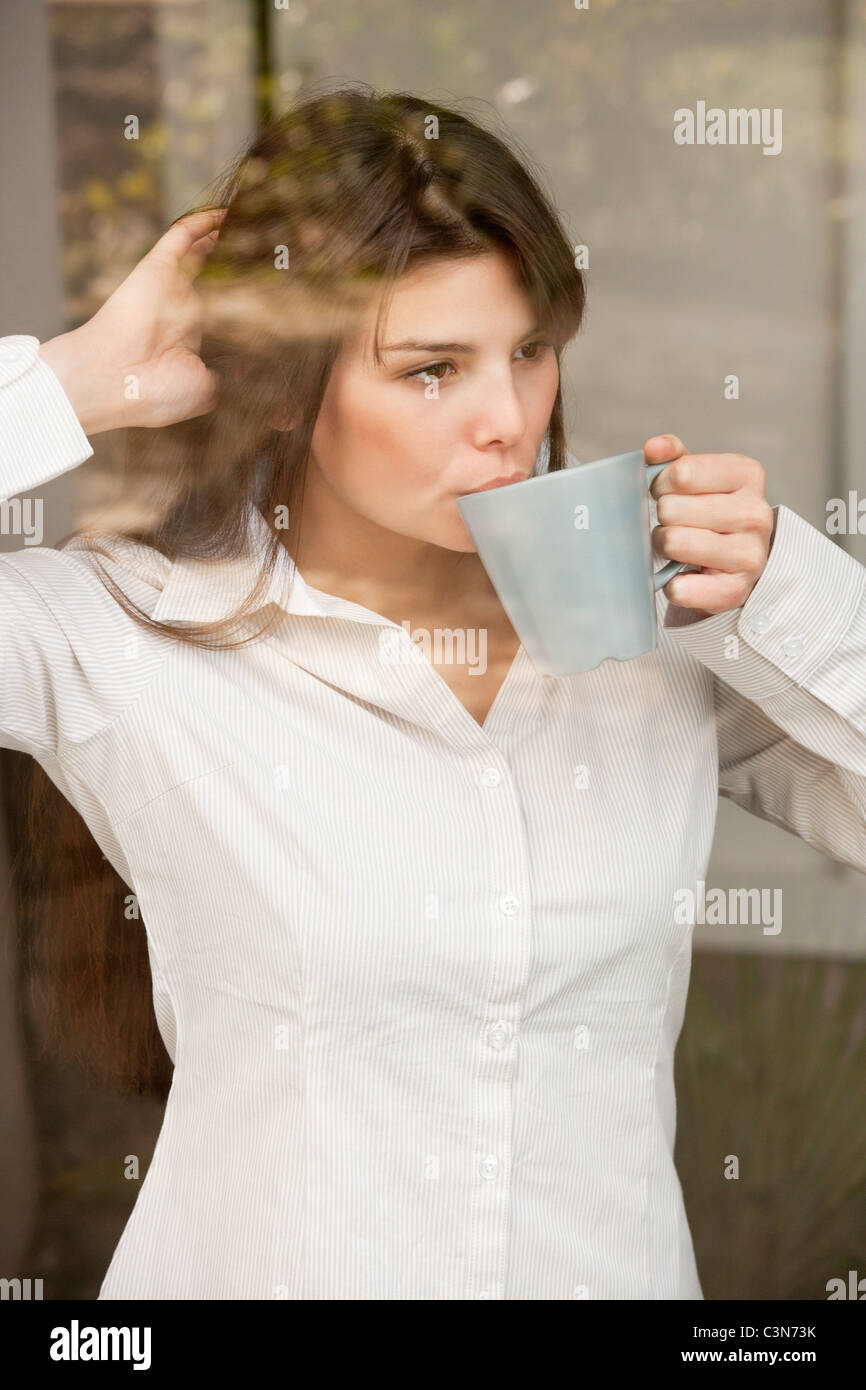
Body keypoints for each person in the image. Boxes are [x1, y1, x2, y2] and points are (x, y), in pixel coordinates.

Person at [2, 84, 865, 1301]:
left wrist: (793, 594)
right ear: (290, 386)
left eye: (526, 352)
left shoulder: (664, 637)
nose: (505, 420)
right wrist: (76, 382)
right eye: (427, 370)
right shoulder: (127, 632)